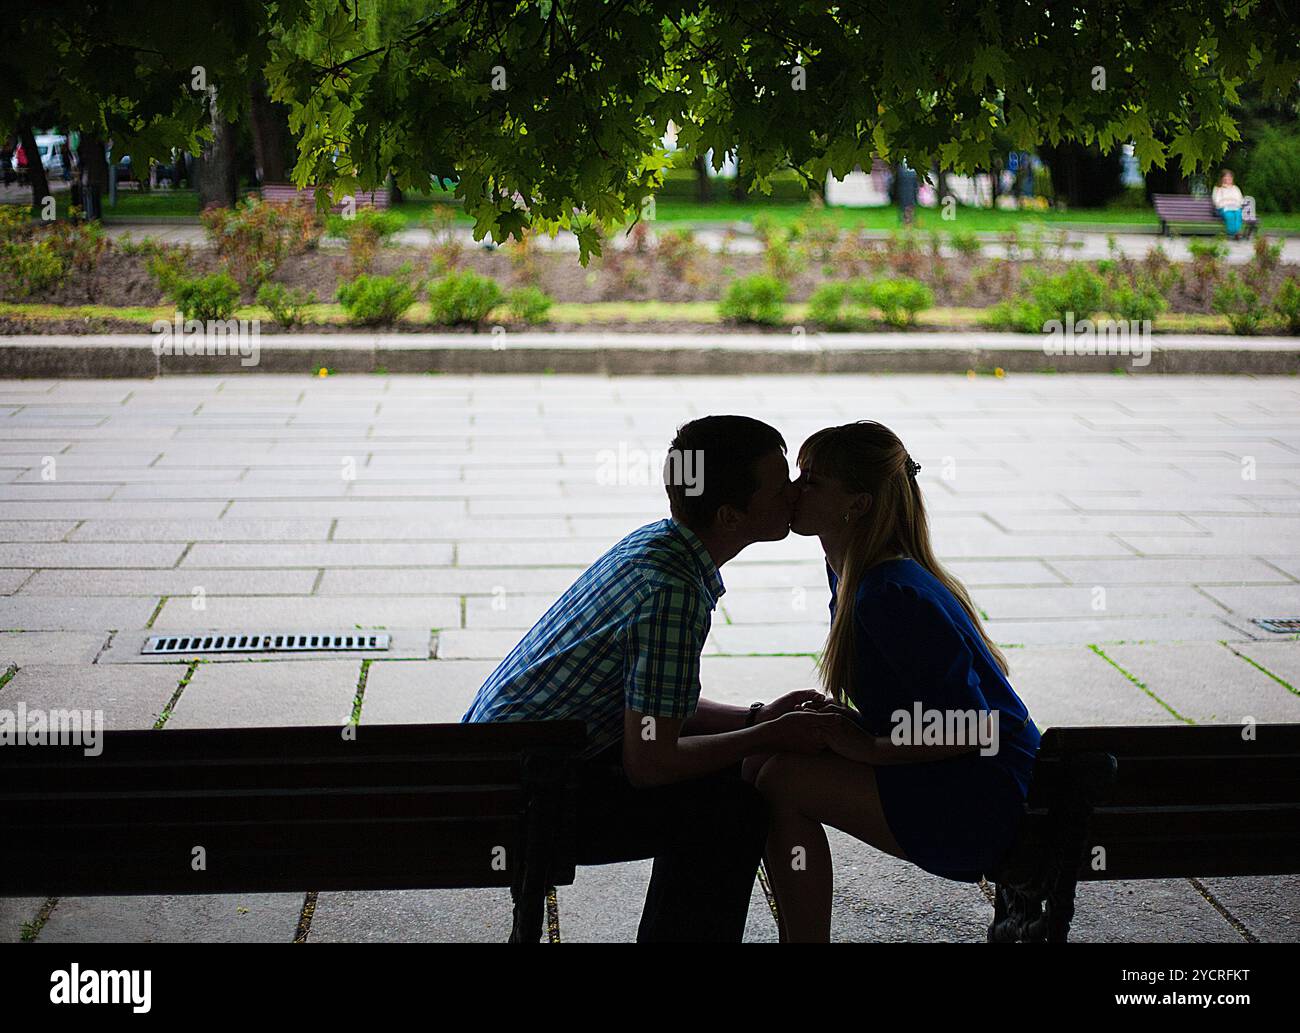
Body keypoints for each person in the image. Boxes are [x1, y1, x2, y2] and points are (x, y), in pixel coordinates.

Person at [461, 415, 865, 942]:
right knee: (732, 809)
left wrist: (759, 717)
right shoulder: (674, 590)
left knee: (736, 778)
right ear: (729, 514)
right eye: (777, 483)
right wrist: (769, 735)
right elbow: (651, 761)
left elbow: (651, 710)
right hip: (531, 798)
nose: (793, 491)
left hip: (506, 768)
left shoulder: (657, 544)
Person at [743, 421, 1042, 942]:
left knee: (780, 780)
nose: (793, 490)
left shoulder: (886, 594)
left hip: (985, 799)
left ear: (855, 505)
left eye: (811, 481)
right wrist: (849, 726)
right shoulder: (859, 572)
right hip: (965, 774)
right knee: (759, 759)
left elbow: (971, 728)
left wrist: (867, 746)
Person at [1212, 170, 1244, 240]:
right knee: (1229, 215)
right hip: (1223, 208)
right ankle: (1234, 233)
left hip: (1235, 207)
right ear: (1222, 178)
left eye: (1230, 177)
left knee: (1238, 214)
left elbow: (1240, 200)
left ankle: (1236, 232)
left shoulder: (1235, 188)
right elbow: (1217, 201)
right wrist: (1228, 202)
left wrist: (1234, 203)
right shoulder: (1218, 189)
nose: (1228, 178)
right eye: (1226, 177)